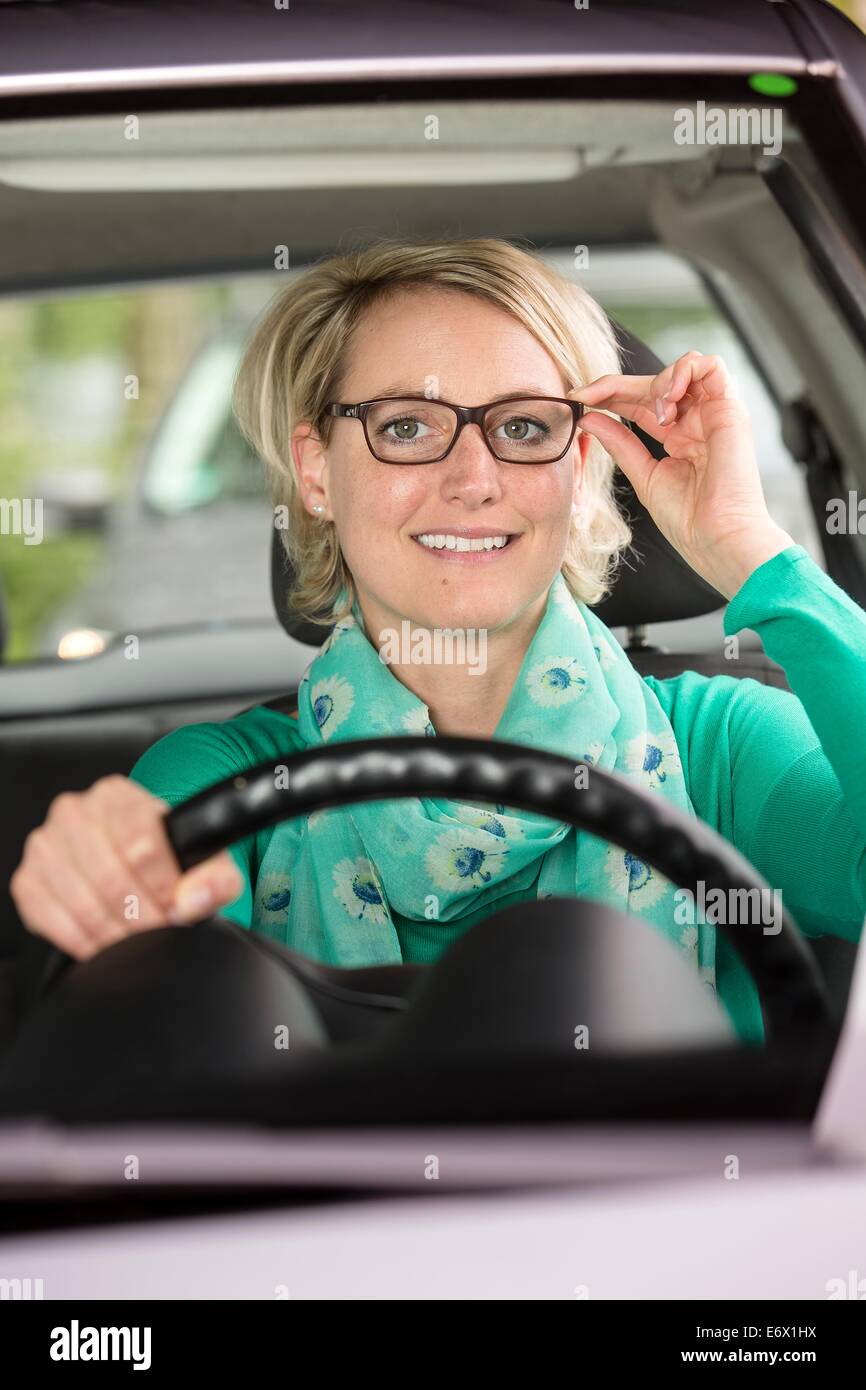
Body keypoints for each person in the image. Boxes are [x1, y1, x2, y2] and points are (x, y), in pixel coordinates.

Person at [11, 238, 866, 1045]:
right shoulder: (222, 781)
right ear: (315, 474)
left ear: (580, 465)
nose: (474, 479)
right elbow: (150, 943)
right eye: (408, 426)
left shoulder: (717, 747)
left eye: (525, 426)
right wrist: (109, 884)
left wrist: (750, 545)